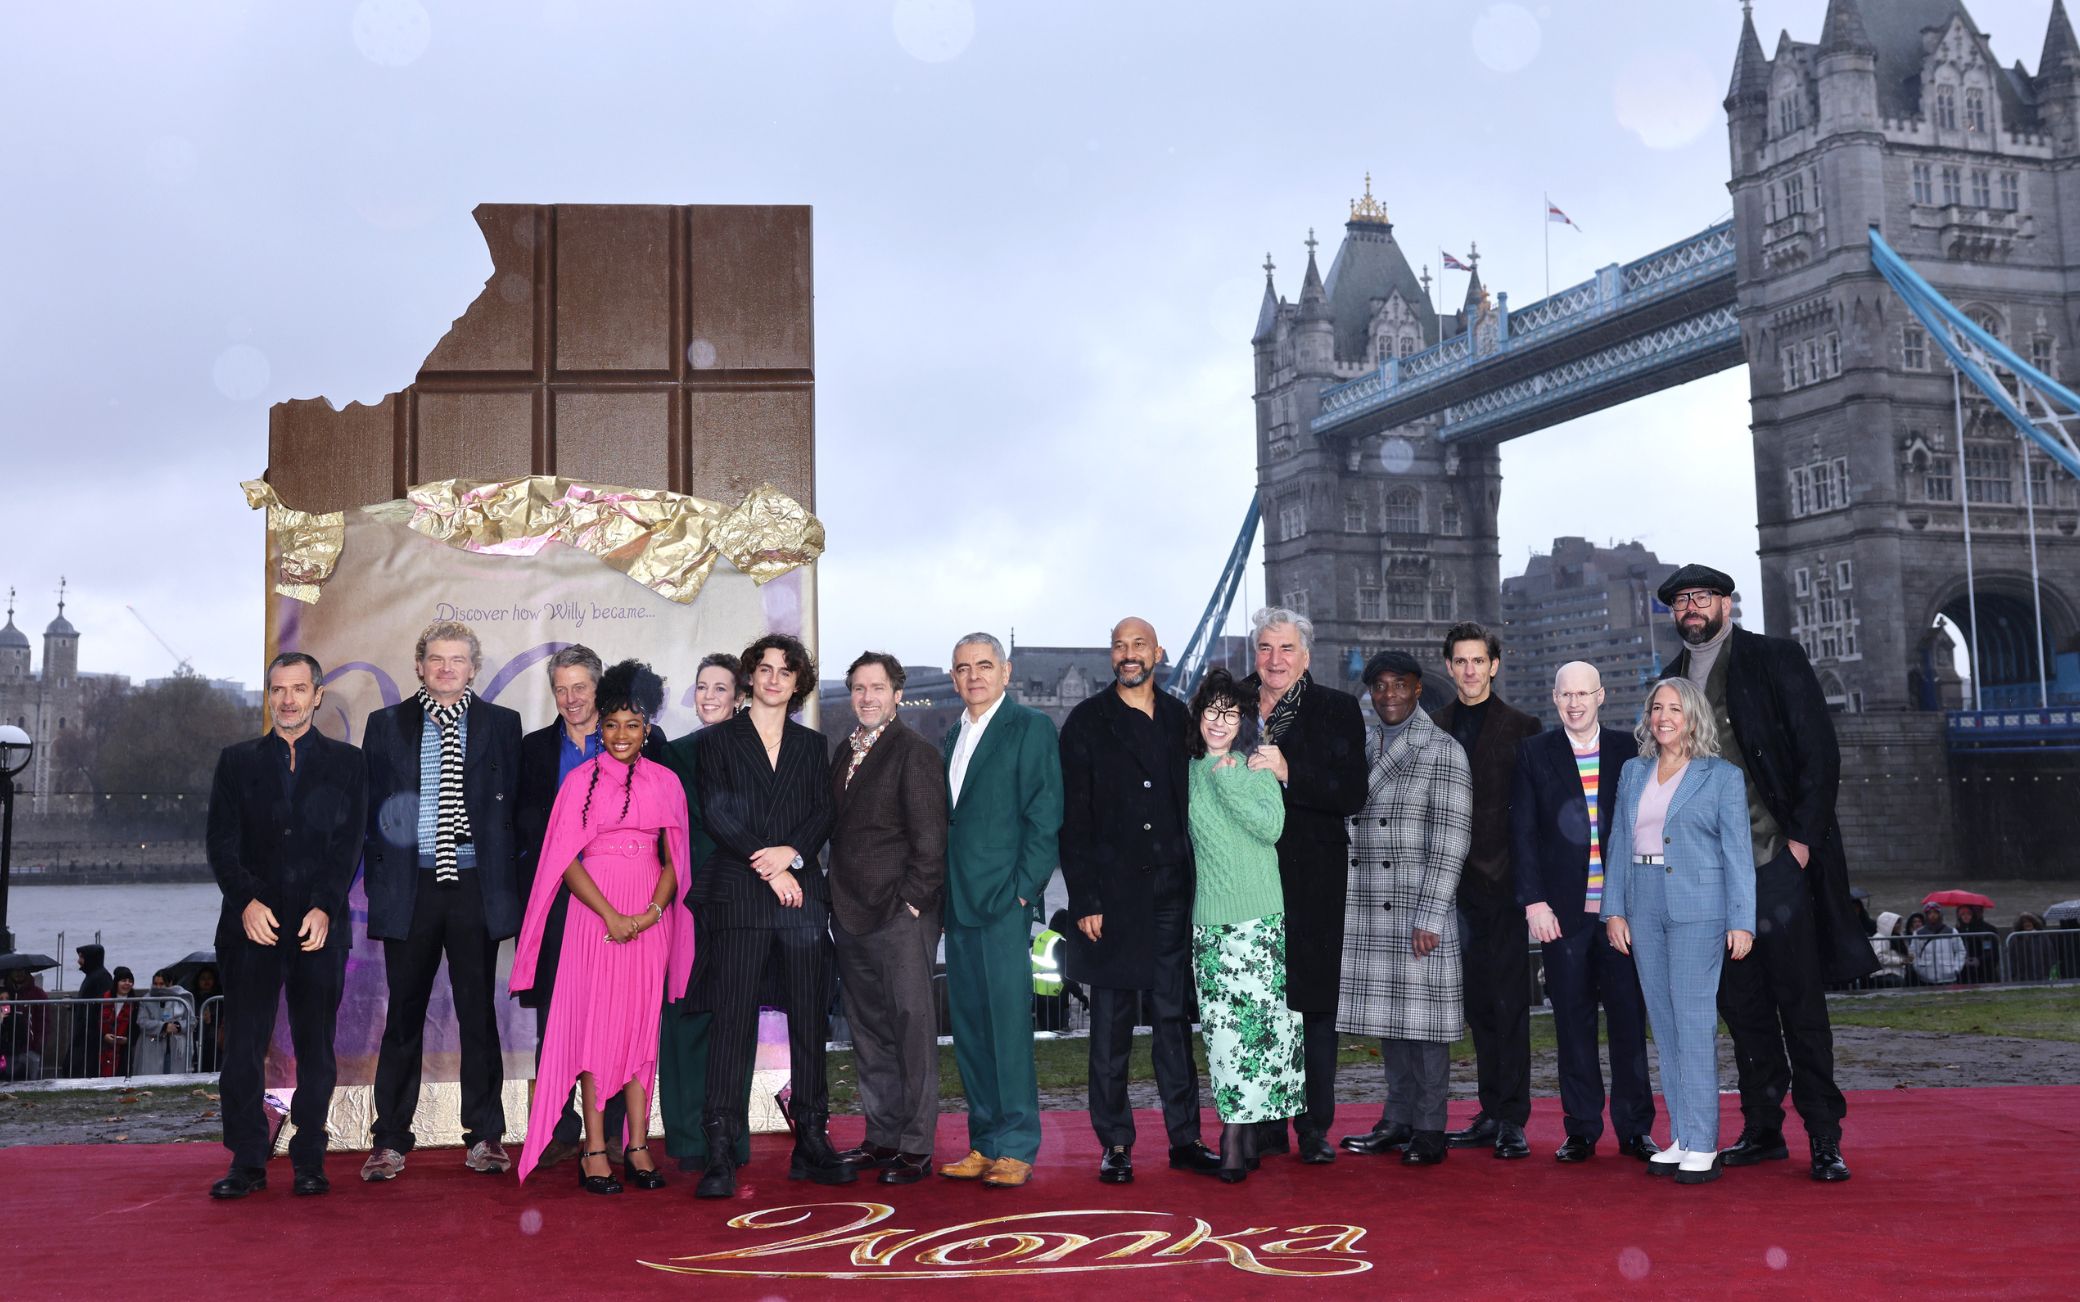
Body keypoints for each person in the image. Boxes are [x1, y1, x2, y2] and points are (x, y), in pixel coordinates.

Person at [1660, 563, 1867, 1183]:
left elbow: (1818, 753)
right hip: (1709, 879)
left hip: (1775, 863)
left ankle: (1824, 1136)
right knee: (1742, 1007)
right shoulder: (1670, 680)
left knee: (1800, 1004)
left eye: (1701, 597)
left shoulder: (1776, 659)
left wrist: (1800, 843)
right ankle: (1762, 1129)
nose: (1691, 608)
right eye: (1680, 601)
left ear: (1727, 603)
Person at [510, 660, 694, 1193]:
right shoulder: (577, 782)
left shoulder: (667, 782)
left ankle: (637, 1144)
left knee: (641, 1030)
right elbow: (563, 861)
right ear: (601, 727)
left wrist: (651, 914)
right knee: (594, 1031)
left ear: (647, 728)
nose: (620, 735)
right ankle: (593, 1148)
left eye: (632, 725)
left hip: (649, 919)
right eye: (611, 724)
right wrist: (612, 915)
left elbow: (674, 860)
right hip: (593, 918)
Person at [360, 620, 524, 1182]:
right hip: (410, 888)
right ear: (419, 665)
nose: (446, 668)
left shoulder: (503, 724)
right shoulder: (386, 724)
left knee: (478, 1015)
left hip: (476, 886)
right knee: (403, 1016)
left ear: (473, 668)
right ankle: (389, 1140)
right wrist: (380, 883)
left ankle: (485, 1136)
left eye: (457, 659)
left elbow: (513, 812)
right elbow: (369, 812)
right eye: (436, 658)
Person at [689, 634, 850, 1198]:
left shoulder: (812, 744)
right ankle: (720, 1151)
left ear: (798, 682)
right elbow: (718, 814)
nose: (775, 678)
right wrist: (771, 865)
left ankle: (812, 1141)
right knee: (732, 1026)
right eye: (765, 669)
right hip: (741, 896)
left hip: (801, 901)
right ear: (750, 677)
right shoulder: (718, 741)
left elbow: (823, 812)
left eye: (786, 670)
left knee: (809, 1020)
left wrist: (794, 855)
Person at [204, 650, 369, 1199]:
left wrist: (325, 906)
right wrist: (246, 901)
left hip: (319, 927)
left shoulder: (348, 763)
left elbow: (348, 845)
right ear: (269, 695)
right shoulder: (236, 762)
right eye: (278, 689)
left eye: (299, 689)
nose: (288, 699)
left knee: (316, 1049)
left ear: (317, 695)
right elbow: (220, 843)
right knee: (242, 1050)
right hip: (250, 927)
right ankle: (247, 1161)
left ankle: (309, 1157)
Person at [1057, 618, 1216, 1184]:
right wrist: (1085, 899)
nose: (1129, 654)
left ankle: (1186, 1139)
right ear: (1112, 656)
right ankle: (1116, 1143)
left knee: (1173, 1022)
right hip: (1112, 898)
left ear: (1158, 653)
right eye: (1120, 646)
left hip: (1173, 891)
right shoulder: (1085, 721)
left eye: (1139, 645)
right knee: (1111, 1026)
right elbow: (1073, 818)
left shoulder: (1180, 719)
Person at [1604, 677, 1757, 1185]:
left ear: (1693, 716)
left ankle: (1704, 1143)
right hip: (1642, 902)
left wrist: (1742, 920)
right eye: (1656, 708)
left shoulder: (1722, 777)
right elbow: (1618, 842)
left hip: (1700, 908)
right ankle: (1683, 1136)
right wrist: (1614, 910)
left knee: (1693, 1024)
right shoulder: (1633, 771)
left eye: (1674, 708)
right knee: (1665, 1026)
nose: (1663, 717)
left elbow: (1738, 853)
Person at [1509, 662, 1659, 1164]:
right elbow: (1522, 834)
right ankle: (1581, 1129)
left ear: (1601, 696)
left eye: (1583, 694)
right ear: (1555, 699)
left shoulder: (1631, 751)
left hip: (1623, 914)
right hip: (1562, 917)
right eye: (1565, 695)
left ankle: (1635, 1130)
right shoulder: (1534, 753)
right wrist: (1534, 903)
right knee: (1572, 1027)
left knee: (1628, 1024)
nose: (1574, 703)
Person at [1239, 608, 1367, 1165]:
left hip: (1314, 877)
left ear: (1306, 655)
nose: (1275, 660)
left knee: (1314, 1007)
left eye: (1287, 648)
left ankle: (1313, 1126)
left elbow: (1352, 793)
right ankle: (1264, 1124)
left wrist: (1290, 772)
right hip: (1244, 875)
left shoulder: (1337, 709)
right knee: (1260, 1004)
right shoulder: (1229, 704)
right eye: (1266, 648)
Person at [935, 632, 1063, 1189]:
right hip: (958, 903)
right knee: (969, 1030)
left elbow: (1044, 816)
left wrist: (1023, 893)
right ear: (953, 677)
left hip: (1003, 903)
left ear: (1005, 672)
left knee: (1008, 1028)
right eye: (963, 668)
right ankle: (984, 1142)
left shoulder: (1030, 727)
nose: (974, 676)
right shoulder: (951, 736)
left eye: (984, 665)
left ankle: (1015, 1146)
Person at [1336, 651, 1472, 1168]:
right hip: (1370, 903)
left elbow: (1452, 839)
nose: (1388, 694)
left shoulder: (1443, 750)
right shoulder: (1361, 746)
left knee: (1425, 1025)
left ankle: (1430, 1127)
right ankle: (1396, 1118)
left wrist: (1431, 915)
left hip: (1418, 906)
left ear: (1418, 689)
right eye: (1380, 686)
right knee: (1390, 1020)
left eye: (1400, 684)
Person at [826, 651, 949, 1186]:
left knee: (912, 1031)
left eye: (877, 688)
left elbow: (931, 840)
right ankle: (882, 1136)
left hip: (900, 917)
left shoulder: (915, 753)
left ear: (897, 695)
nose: (867, 697)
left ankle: (916, 1146)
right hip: (851, 912)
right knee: (869, 1031)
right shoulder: (844, 751)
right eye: (859, 688)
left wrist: (913, 903)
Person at [1185, 668, 1303, 1182]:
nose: (1220, 721)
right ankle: (1238, 1129)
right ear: (1199, 715)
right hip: (1210, 922)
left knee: (1263, 1033)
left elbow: (1271, 828)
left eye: (1231, 714)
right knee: (1224, 1037)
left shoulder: (1257, 769)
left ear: (1243, 722)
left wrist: (1229, 779)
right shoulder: (1186, 772)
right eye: (1212, 710)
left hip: (1261, 920)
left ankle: (1238, 1135)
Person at [1430, 621, 1542, 1161]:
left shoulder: (1524, 727)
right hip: (1451, 890)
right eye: (1461, 661)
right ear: (1449, 667)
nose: (1470, 670)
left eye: (1479, 660)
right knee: (1476, 1006)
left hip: (1503, 887)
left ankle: (1513, 1118)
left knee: (1510, 1005)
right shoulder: (1432, 726)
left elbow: (1532, 813)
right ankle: (1490, 1110)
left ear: (1494, 666)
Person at [658, 652, 756, 1175]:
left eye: (720, 687)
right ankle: (689, 1138)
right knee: (686, 1014)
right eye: (702, 687)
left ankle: (730, 1138)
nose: (709, 696)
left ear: (739, 696)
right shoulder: (674, 755)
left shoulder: (762, 751)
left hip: (744, 899)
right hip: (687, 900)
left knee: (733, 1020)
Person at [136, 971, 193, 1076]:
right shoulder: (146, 999)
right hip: (153, 1044)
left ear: (170, 983)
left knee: (175, 1075)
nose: (158, 987)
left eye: (161, 984)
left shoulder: (183, 998)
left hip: (176, 1045)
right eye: (155, 984)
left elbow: (192, 1021)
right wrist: (163, 1026)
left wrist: (178, 1026)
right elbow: (142, 1021)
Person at [70, 943, 112, 1077]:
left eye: (82, 957)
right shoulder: (93, 976)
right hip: (85, 1031)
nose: (79, 961)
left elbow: (102, 1005)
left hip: (92, 1033)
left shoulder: (101, 977)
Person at [0, 967, 49, 1081]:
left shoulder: (38, 994)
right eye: (15, 970)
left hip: (30, 1048)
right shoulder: (7, 992)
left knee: (31, 1079)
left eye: (22, 970)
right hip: (7, 1051)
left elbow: (44, 1021)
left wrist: (38, 1046)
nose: (18, 974)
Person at [99, 967, 137, 1077]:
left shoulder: (135, 1003)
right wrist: (103, 1036)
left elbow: (136, 1027)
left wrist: (128, 1039)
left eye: (130, 981)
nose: (127, 984)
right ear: (116, 982)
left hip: (124, 1049)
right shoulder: (104, 998)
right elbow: (94, 1022)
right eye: (123, 980)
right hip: (102, 1045)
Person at [1911, 909, 1965, 986]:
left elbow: (1960, 951)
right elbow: (1913, 953)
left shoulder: (1952, 931)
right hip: (1926, 976)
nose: (1933, 915)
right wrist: (1919, 969)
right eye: (1930, 913)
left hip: (1948, 975)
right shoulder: (1918, 933)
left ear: (1940, 914)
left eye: (1935, 912)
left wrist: (1956, 968)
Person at [1956, 904, 1999, 985]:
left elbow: (1992, 952)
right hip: (1964, 971)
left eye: (1968, 913)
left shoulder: (1988, 929)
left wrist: (1979, 960)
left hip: (1985, 971)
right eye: (1962, 914)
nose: (1965, 916)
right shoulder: (1957, 931)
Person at [191, 966, 223, 1074]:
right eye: (203, 978)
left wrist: (211, 1019)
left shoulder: (220, 997)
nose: (206, 981)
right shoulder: (192, 997)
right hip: (196, 1036)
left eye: (209, 978)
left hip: (214, 1039)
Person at [1868, 913, 1908, 989]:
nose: (1899, 925)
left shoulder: (1896, 936)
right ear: (1888, 924)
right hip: (1883, 974)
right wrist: (1900, 961)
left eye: (1899, 922)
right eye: (1896, 923)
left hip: (1894, 972)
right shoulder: (1880, 938)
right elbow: (1879, 956)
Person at [2010, 913, 2051, 983]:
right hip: (2022, 975)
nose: (2027, 924)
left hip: (2041, 973)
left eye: (2030, 921)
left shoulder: (2042, 937)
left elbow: (2049, 954)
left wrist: (2050, 971)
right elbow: (2012, 957)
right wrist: (2014, 974)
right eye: (2024, 922)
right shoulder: (2016, 938)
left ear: (2034, 923)